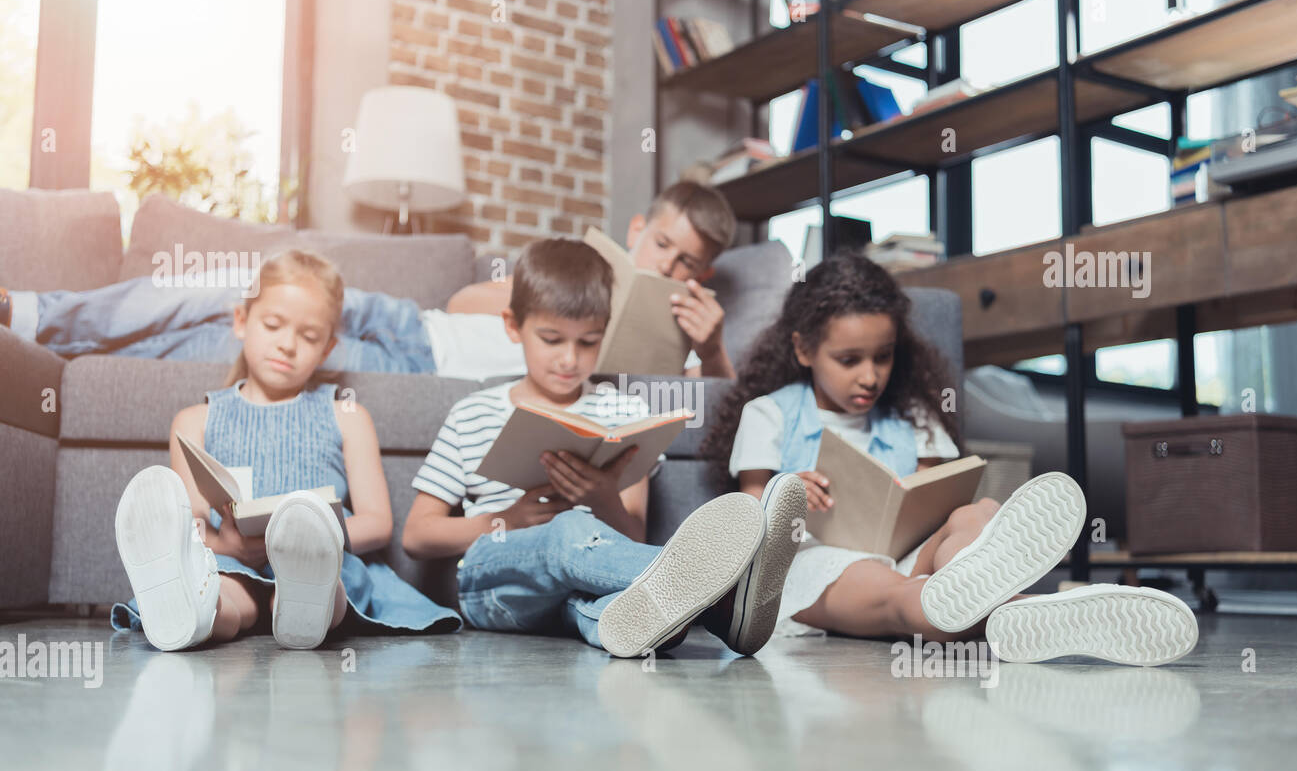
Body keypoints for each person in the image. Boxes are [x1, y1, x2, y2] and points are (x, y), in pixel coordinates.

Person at [700, 251, 1200, 666]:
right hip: (812, 565)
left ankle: (985, 594)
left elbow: (931, 501)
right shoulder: (769, 413)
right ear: (804, 350)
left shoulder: (914, 416)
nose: (871, 377)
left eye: (884, 356)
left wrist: (923, 500)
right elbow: (748, 503)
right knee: (903, 599)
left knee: (975, 512)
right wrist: (787, 494)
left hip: (908, 552)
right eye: (850, 360)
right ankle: (1031, 609)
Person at [400, 237, 806, 657]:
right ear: (513, 325)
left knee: (616, 609)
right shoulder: (472, 413)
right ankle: (727, 591)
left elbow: (631, 533)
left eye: (588, 341)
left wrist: (602, 498)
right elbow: (417, 535)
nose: (569, 359)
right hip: (496, 586)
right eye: (552, 339)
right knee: (565, 531)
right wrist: (507, 519)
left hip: (580, 588)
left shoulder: (624, 412)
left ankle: (705, 616)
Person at [1, 181, 741, 380]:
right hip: (416, 322)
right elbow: (462, 303)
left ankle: (74, 371)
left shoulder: (673, 345)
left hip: (409, 369)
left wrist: (707, 352)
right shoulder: (572, 271)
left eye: (686, 263)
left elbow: (708, 417)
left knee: (221, 348)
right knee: (244, 286)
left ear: (700, 275)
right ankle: (34, 313)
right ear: (640, 230)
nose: (667, 268)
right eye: (662, 246)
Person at [110, 249, 462, 651]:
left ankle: (304, 610)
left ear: (327, 349)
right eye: (273, 325)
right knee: (227, 592)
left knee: (318, 584)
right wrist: (231, 546)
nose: (288, 345)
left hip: (323, 559)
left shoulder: (347, 415)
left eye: (309, 336)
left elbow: (378, 523)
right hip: (233, 559)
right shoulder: (194, 420)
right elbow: (193, 523)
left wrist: (312, 538)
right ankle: (192, 613)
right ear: (242, 322)